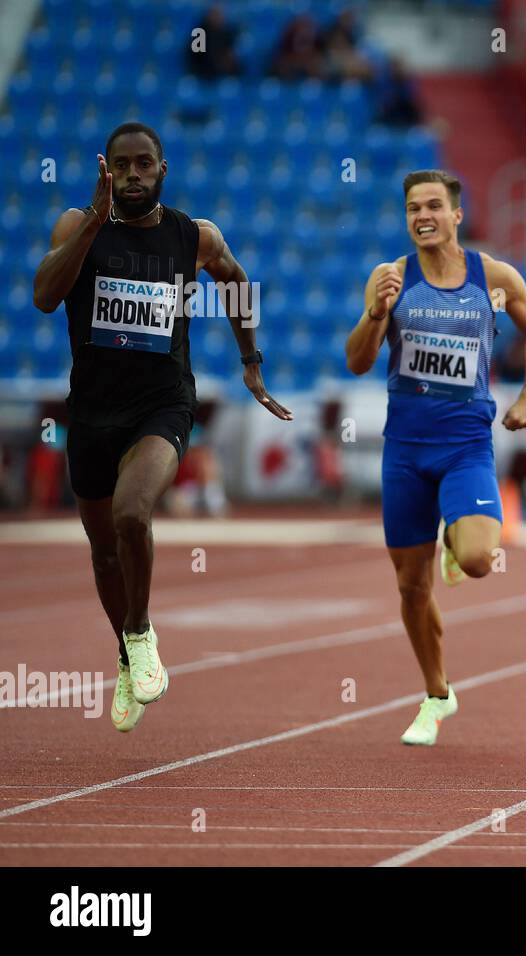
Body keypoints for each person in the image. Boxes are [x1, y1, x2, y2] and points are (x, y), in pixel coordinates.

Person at [32, 122, 291, 732]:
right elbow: (44, 296)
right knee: (104, 553)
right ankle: (127, 657)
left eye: (143, 164)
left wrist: (251, 362)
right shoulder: (77, 225)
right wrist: (93, 224)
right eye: (121, 165)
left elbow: (236, 280)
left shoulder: (193, 236)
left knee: (132, 513)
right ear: (106, 171)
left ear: (162, 169)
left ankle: (140, 631)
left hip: (163, 404)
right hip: (92, 412)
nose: (133, 175)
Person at [345, 170, 526, 746]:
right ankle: (437, 694)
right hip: (406, 452)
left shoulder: (493, 278)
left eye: (434, 205)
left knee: (481, 559)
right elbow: (357, 362)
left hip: (465, 447)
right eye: (414, 207)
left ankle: (456, 539)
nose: (423, 216)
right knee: (412, 587)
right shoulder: (390, 278)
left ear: (456, 214)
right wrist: (376, 314)